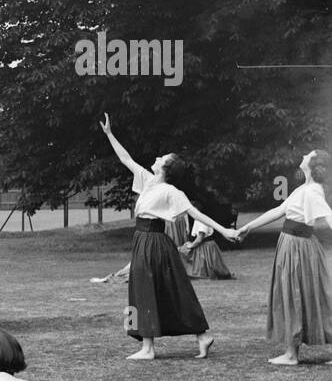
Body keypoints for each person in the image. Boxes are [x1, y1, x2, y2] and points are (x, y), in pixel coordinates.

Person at [98, 113, 238, 359]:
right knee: (161, 289)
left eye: (162, 158)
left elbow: (196, 213)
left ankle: (149, 348)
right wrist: (110, 134)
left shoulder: (170, 191)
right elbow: (125, 158)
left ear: (166, 168)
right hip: (145, 240)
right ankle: (200, 336)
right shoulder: (149, 181)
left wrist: (225, 231)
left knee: (149, 289)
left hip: (153, 241)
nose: (157, 157)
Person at [237, 150, 332, 365]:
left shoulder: (313, 191)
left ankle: (291, 354)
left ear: (313, 163)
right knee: (296, 294)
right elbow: (279, 210)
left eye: (309, 154)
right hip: (291, 244)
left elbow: (327, 216)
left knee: (297, 294)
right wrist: (248, 227)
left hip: (299, 246)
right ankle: (291, 352)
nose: (304, 155)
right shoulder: (303, 188)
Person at [181, 216, 233, 280]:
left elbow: (200, 238)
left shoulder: (202, 220)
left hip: (206, 246)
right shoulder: (198, 219)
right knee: (181, 250)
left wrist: (191, 245)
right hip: (202, 244)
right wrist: (190, 243)